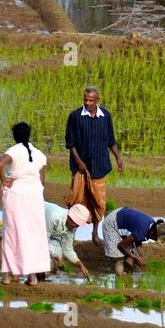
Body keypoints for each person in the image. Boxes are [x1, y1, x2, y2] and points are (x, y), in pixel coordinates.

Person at [65, 86, 124, 247]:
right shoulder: (75, 117)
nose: (87, 103)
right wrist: (79, 162)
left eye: (91, 100)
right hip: (80, 167)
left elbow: (111, 140)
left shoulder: (105, 116)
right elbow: (70, 143)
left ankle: (94, 233)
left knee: (99, 202)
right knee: (77, 200)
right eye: (85, 100)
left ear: (97, 100)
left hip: (99, 165)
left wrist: (118, 158)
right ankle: (71, 234)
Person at [0, 122, 50, 285]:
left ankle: (7, 276)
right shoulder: (40, 154)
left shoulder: (13, 151)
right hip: (34, 197)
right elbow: (42, 180)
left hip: (15, 195)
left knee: (12, 233)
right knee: (34, 234)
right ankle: (32, 277)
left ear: (15, 136)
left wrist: (4, 179)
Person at [99, 207, 165, 274]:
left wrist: (140, 255)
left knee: (132, 255)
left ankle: (128, 276)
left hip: (123, 218)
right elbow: (121, 245)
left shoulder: (151, 226)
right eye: (155, 238)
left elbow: (138, 239)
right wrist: (136, 258)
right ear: (153, 232)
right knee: (119, 259)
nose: (154, 239)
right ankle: (119, 281)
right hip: (112, 223)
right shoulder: (143, 229)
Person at [45, 202, 92, 280]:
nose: (77, 226)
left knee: (57, 250)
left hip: (47, 235)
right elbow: (43, 241)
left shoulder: (72, 227)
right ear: (70, 216)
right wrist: (57, 257)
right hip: (32, 221)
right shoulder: (54, 216)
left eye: (78, 224)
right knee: (46, 255)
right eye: (76, 223)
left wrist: (81, 266)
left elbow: (67, 249)